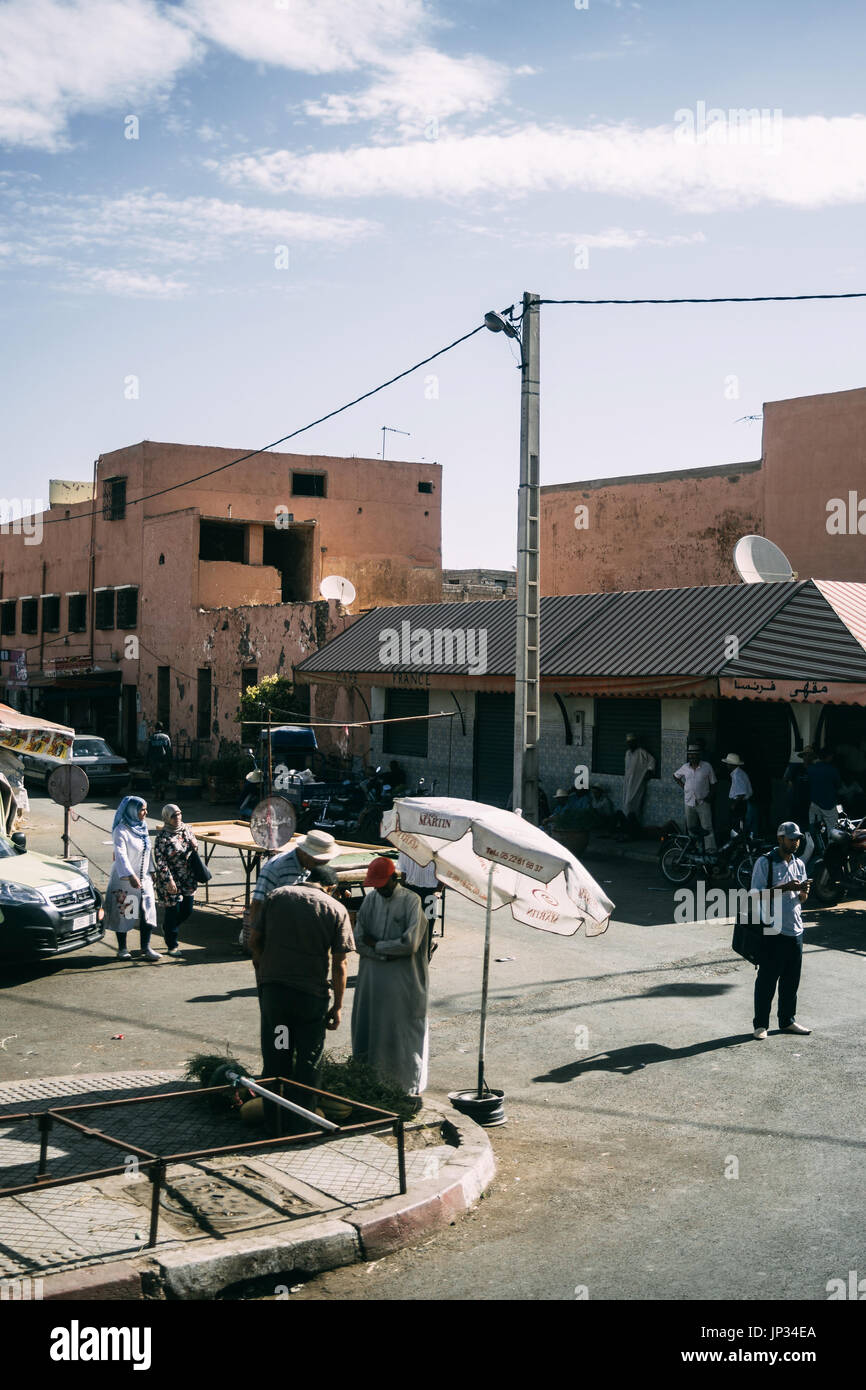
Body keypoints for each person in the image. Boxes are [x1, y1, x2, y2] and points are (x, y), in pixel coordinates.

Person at [249, 867, 355, 1135]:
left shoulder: (276, 896)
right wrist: (338, 1006)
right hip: (309, 1002)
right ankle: (302, 1128)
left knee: (277, 1058)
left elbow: (254, 940)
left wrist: (264, 978)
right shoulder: (335, 908)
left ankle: (274, 1125)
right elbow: (340, 963)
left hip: (277, 1000)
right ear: (330, 887)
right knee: (308, 1064)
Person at [351, 856, 429, 1110]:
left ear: (394, 879)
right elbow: (359, 941)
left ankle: (405, 1086)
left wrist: (379, 947)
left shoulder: (411, 901)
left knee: (402, 1032)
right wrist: (384, 951)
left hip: (403, 981)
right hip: (372, 980)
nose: (378, 889)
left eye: (382, 884)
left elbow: (409, 944)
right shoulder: (370, 900)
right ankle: (369, 1081)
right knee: (371, 1028)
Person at [749, 821, 812, 1039]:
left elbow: (801, 899)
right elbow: (755, 895)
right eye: (791, 838)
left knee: (791, 981)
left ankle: (787, 1021)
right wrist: (786, 887)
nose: (795, 842)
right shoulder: (765, 862)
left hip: (795, 930)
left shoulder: (799, 865)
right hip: (772, 930)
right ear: (780, 839)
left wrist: (804, 891)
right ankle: (760, 1025)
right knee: (767, 980)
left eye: (797, 839)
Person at [243, 829, 340, 947]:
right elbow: (258, 903)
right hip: (276, 932)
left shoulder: (310, 866)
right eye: (318, 862)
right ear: (305, 853)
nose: (321, 866)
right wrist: (256, 942)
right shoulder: (276, 867)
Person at [105, 795, 161, 962]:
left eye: (145, 809)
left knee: (147, 911)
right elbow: (121, 855)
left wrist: (152, 870)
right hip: (126, 879)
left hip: (145, 878)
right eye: (142, 809)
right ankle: (122, 948)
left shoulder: (142, 827)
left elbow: (146, 850)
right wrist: (130, 875)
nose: (145, 812)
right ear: (132, 810)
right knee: (125, 912)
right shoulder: (121, 830)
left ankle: (146, 947)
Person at [153, 804, 200, 957]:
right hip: (171, 878)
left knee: (187, 909)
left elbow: (193, 845)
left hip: (187, 877)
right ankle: (172, 944)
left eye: (179, 814)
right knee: (172, 910)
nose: (177, 818)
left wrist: (195, 844)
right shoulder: (162, 837)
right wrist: (169, 880)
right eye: (173, 816)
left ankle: (168, 927)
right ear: (167, 817)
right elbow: (161, 861)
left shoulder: (186, 829)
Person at [398, 849, 441, 959]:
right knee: (408, 926)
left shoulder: (436, 847)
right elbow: (403, 871)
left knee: (427, 927)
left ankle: (425, 956)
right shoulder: (407, 845)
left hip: (431, 892)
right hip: (410, 889)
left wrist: (439, 890)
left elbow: (445, 870)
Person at [673, 743, 717, 852]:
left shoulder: (707, 766)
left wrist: (710, 797)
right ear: (689, 756)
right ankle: (695, 848)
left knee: (707, 827)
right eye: (691, 755)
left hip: (703, 802)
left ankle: (710, 850)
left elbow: (714, 783)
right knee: (691, 827)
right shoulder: (685, 767)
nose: (693, 757)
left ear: (699, 755)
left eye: (695, 755)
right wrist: (684, 787)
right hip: (689, 803)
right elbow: (675, 776)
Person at [620, 734, 656, 840]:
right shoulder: (627, 754)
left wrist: (649, 771)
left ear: (635, 742)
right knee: (626, 805)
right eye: (628, 743)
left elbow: (652, 761)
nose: (630, 744)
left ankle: (632, 832)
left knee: (631, 805)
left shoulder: (642, 752)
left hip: (638, 782)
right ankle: (629, 831)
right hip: (628, 783)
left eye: (632, 742)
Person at [807, 748, 842, 830]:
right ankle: (831, 843)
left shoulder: (811, 769)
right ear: (829, 757)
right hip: (829, 804)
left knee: (815, 829)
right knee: (833, 831)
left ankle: (815, 843)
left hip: (815, 803)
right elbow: (838, 785)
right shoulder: (832, 769)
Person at [722, 753, 756, 835]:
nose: (726, 765)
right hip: (741, 803)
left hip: (739, 803)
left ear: (731, 764)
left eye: (728, 764)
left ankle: (739, 844)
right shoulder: (738, 773)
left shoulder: (737, 775)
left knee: (737, 826)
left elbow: (742, 793)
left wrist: (734, 804)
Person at [783, 748, 812, 829]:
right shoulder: (796, 768)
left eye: (810, 756)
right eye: (806, 755)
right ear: (803, 756)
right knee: (793, 822)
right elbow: (787, 780)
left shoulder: (814, 769)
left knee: (806, 823)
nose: (807, 757)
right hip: (795, 799)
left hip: (808, 801)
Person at [147, 723, 172, 800]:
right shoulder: (166, 737)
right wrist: (170, 762)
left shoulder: (152, 738)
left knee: (155, 778)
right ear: (162, 728)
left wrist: (146, 763)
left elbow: (149, 752)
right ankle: (162, 790)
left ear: (155, 728)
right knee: (164, 778)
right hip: (164, 762)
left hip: (154, 762)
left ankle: (156, 795)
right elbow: (169, 750)